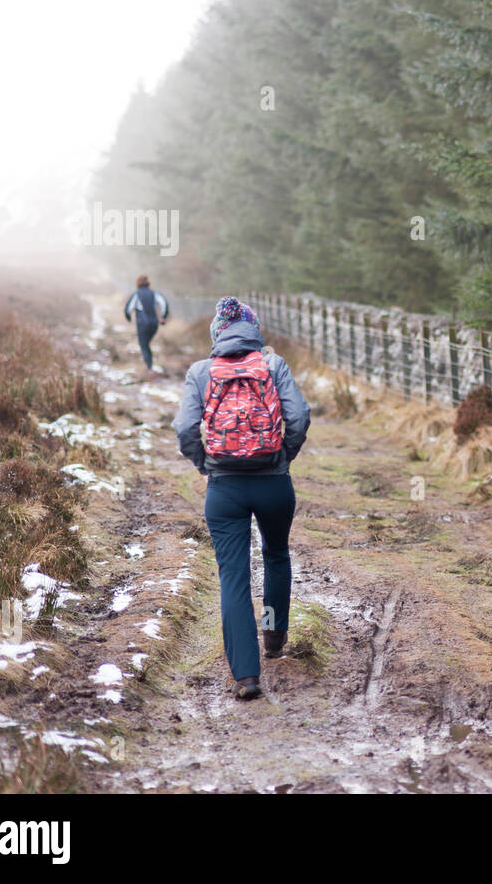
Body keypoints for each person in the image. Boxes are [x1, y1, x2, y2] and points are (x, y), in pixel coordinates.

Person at [173, 297, 311, 701]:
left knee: (232, 576)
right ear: (255, 329)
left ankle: (247, 676)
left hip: (225, 490)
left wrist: (206, 465)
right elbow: (299, 416)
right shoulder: (273, 364)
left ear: (216, 332)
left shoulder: (201, 372)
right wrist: (284, 456)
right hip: (273, 482)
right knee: (276, 555)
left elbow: (184, 428)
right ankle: (273, 635)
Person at [123, 274, 170, 372]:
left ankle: (149, 368)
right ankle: (150, 366)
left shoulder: (137, 294)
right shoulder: (154, 293)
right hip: (154, 324)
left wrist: (128, 318)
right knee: (146, 344)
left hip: (142, 325)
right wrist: (163, 317)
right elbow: (164, 304)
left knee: (143, 345)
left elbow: (128, 309)